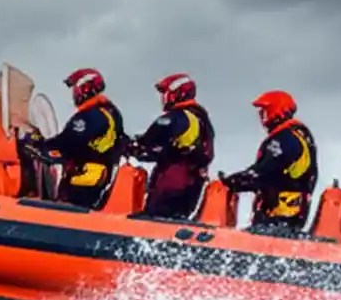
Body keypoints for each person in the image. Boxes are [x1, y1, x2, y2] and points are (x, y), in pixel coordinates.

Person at [24, 68, 127, 208]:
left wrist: (40, 146)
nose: (74, 94)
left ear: (84, 87)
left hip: (84, 176)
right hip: (97, 174)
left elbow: (69, 141)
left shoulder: (92, 116)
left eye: (75, 88)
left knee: (65, 209)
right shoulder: (110, 113)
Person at [220, 89, 318, 230]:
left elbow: (265, 172)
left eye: (264, 110)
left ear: (276, 110)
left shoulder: (285, 139)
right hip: (289, 211)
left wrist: (233, 182)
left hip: (281, 212)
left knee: (260, 236)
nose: (261, 115)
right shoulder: (299, 137)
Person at [126, 73, 216, 219]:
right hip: (190, 186)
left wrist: (131, 146)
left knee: (154, 218)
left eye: (166, 93)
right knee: (173, 219)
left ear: (176, 93)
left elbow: (152, 139)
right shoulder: (201, 119)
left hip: (171, 184)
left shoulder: (178, 117)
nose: (163, 98)